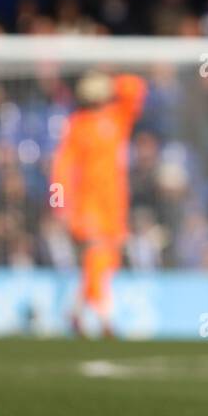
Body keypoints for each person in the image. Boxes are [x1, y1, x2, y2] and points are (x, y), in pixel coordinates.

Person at [50, 71, 148, 338]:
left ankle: (76, 311)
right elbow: (61, 168)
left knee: (109, 261)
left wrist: (110, 82)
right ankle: (105, 317)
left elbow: (136, 88)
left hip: (115, 203)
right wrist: (59, 205)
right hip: (86, 203)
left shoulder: (118, 117)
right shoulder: (77, 125)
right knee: (97, 255)